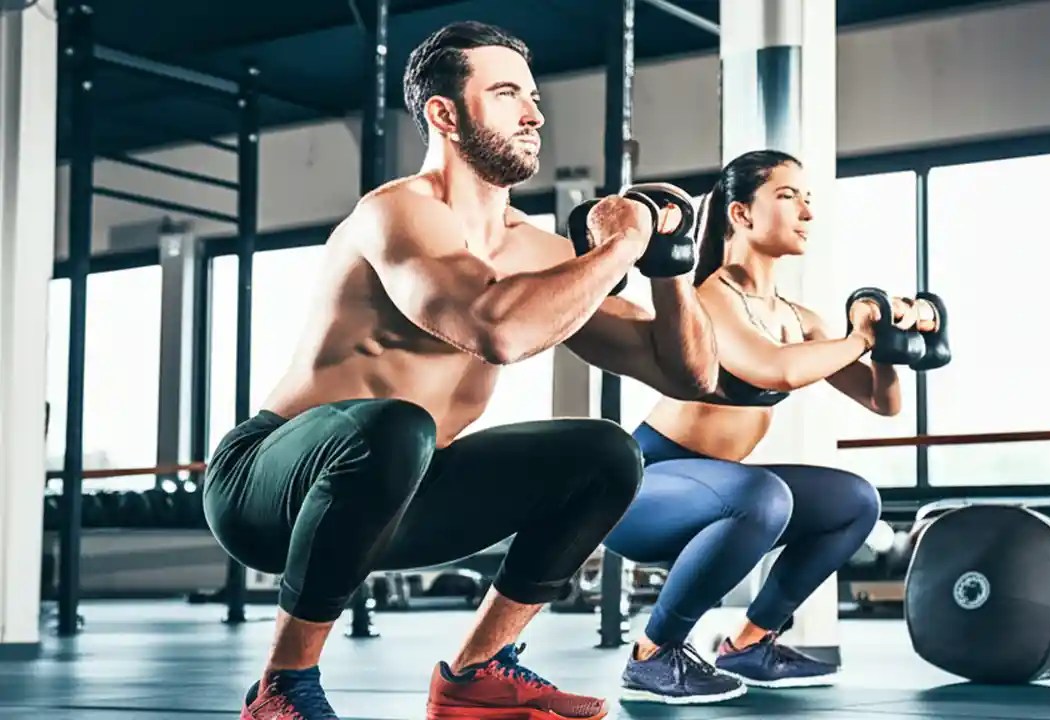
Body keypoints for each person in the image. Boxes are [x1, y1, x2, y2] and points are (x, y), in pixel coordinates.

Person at [203, 21, 719, 720]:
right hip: (269, 488)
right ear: (445, 114)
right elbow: (495, 332)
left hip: (405, 494)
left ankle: (478, 672)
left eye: (533, 97)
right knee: (396, 426)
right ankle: (281, 687)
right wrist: (622, 244)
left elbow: (687, 376)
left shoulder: (535, 251)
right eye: (506, 94)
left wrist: (668, 269)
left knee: (605, 453)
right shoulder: (397, 214)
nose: (534, 114)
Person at [602, 149, 942, 704]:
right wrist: (858, 338)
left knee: (854, 500)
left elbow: (883, 402)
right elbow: (774, 368)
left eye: (808, 199)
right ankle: (652, 654)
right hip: (640, 492)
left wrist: (884, 341)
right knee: (764, 495)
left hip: (719, 493)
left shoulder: (797, 316)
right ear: (741, 214)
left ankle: (751, 644)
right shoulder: (709, 298)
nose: (807, 212)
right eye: (788, 197)